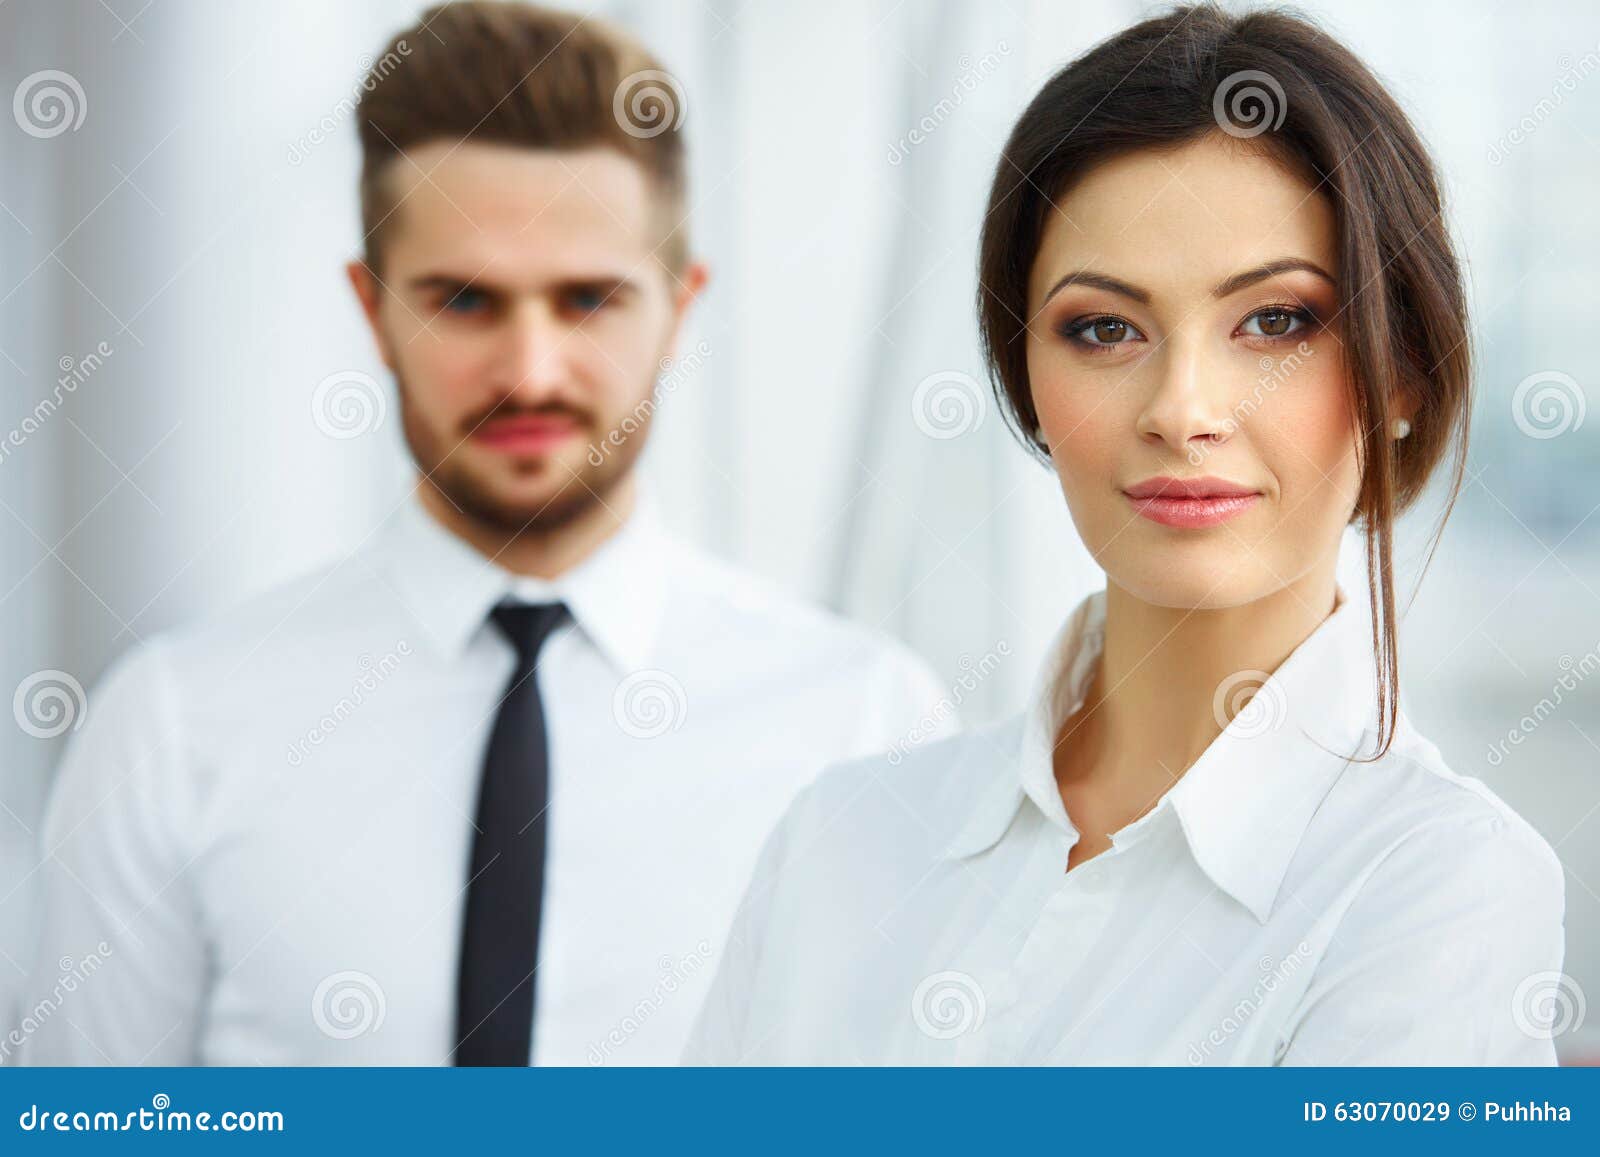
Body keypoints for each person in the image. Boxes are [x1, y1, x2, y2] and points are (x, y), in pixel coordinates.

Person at [19, 1, 950, 1067]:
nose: (530, 371)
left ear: (679, 309)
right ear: (372, 311)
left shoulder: (865, 725)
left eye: (589, 298)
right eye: (463, 300)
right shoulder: (174, 730)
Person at [684, 2, 1568, 1066]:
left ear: (1402, 374)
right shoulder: (839, 838)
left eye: (1275, 320)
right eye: (1103, 328)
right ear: (1027, 381)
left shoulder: (1441, 885)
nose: (1180, 407)